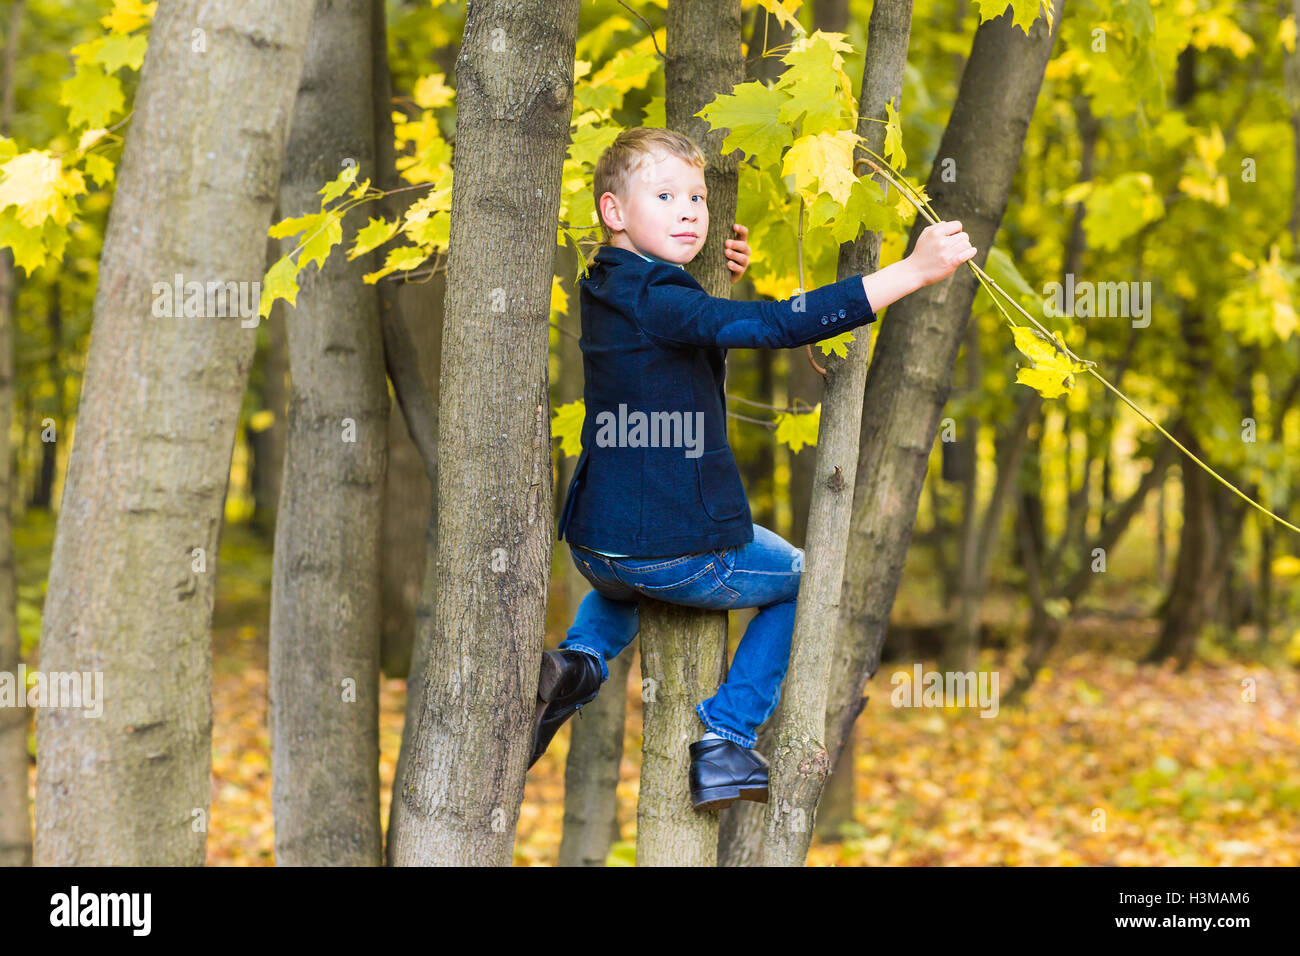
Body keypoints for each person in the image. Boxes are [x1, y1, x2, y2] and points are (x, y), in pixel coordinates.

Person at [531, 126, 976, 811]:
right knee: (803, 579)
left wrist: (714, 272)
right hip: (675, 552)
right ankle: (726, 740)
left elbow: (673, 333)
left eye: (698, 198)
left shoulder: (604, 283)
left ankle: (578, 664)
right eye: (666, 195)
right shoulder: (665, 299)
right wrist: (910, 273)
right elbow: (773, 326)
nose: (689, 211)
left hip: (599, 549)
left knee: (632, 585)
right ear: (614, 212)